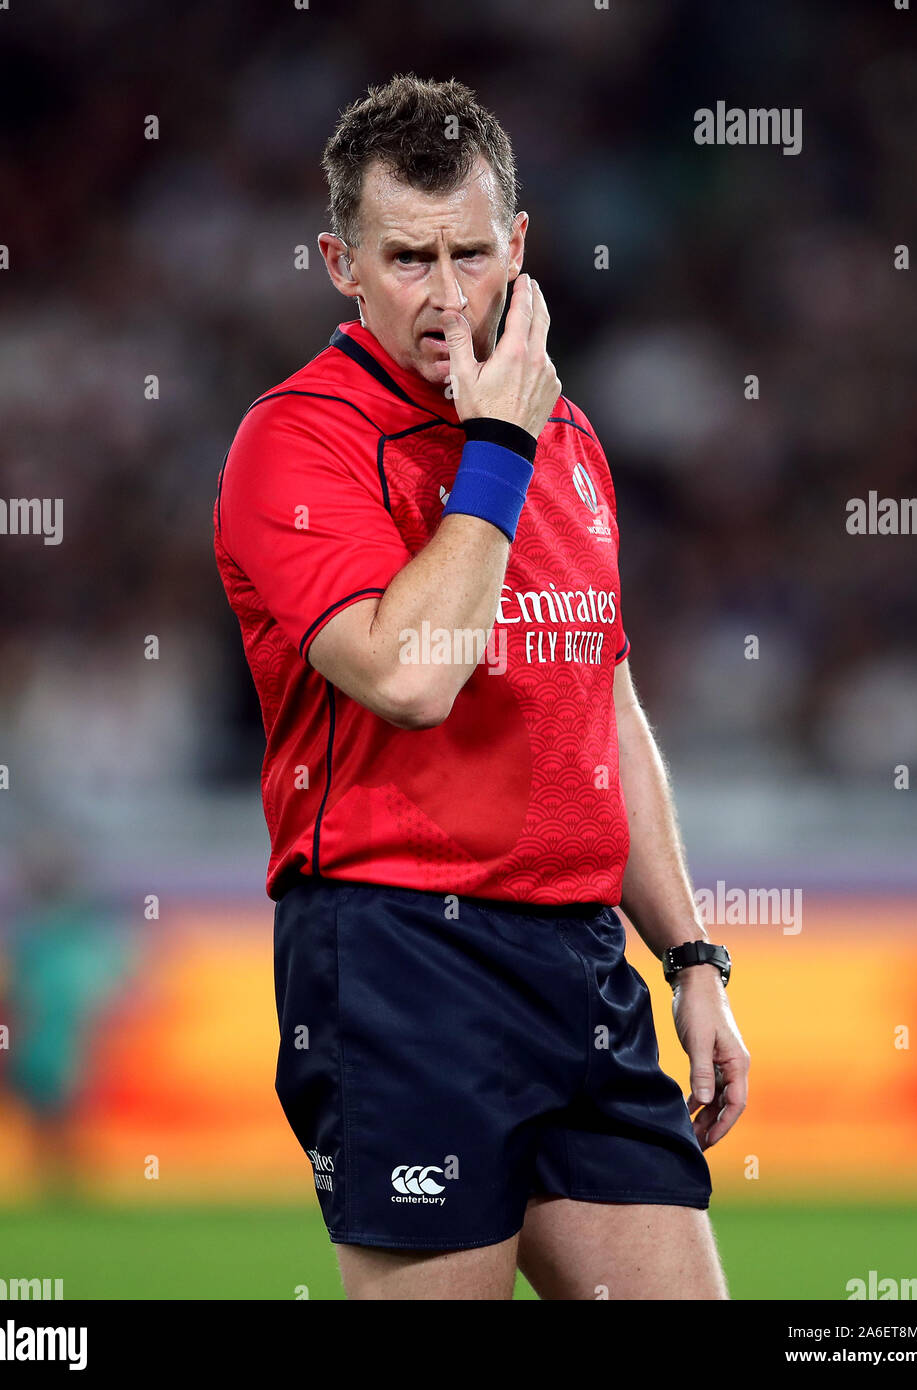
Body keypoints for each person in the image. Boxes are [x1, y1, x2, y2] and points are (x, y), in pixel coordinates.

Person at [213, 73, 749, 1301]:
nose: (448, 297)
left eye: (471, 252)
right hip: (401, 951)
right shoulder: (297, 441)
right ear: (339, 264)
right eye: (406, 259)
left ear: (520, 244)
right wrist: (496, 448)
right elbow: (409, 679)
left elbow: (599, 703)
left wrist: (691, 959)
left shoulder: (568, 440)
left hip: (579, 960)